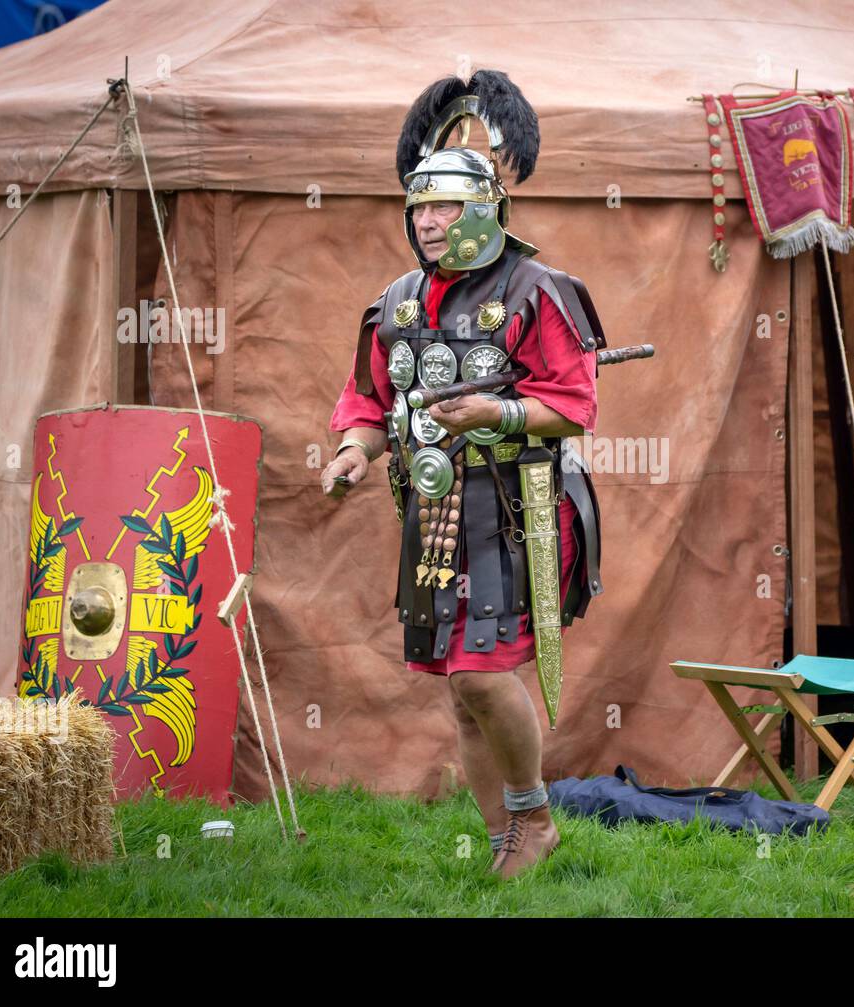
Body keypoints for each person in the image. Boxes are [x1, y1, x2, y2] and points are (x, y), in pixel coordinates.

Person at [321, 70, 604, 876]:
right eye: (420, 209)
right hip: (432, 513)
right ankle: (504, 840)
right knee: (458, 689)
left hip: (515, 509)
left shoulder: (536, 289)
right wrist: (352, 450)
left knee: (482, 677)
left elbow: (574, 404)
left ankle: (534, 818)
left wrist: (496, 415)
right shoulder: (398, 300)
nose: (430, 222)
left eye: (445, 207)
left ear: (485, 210)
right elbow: (369, 400)